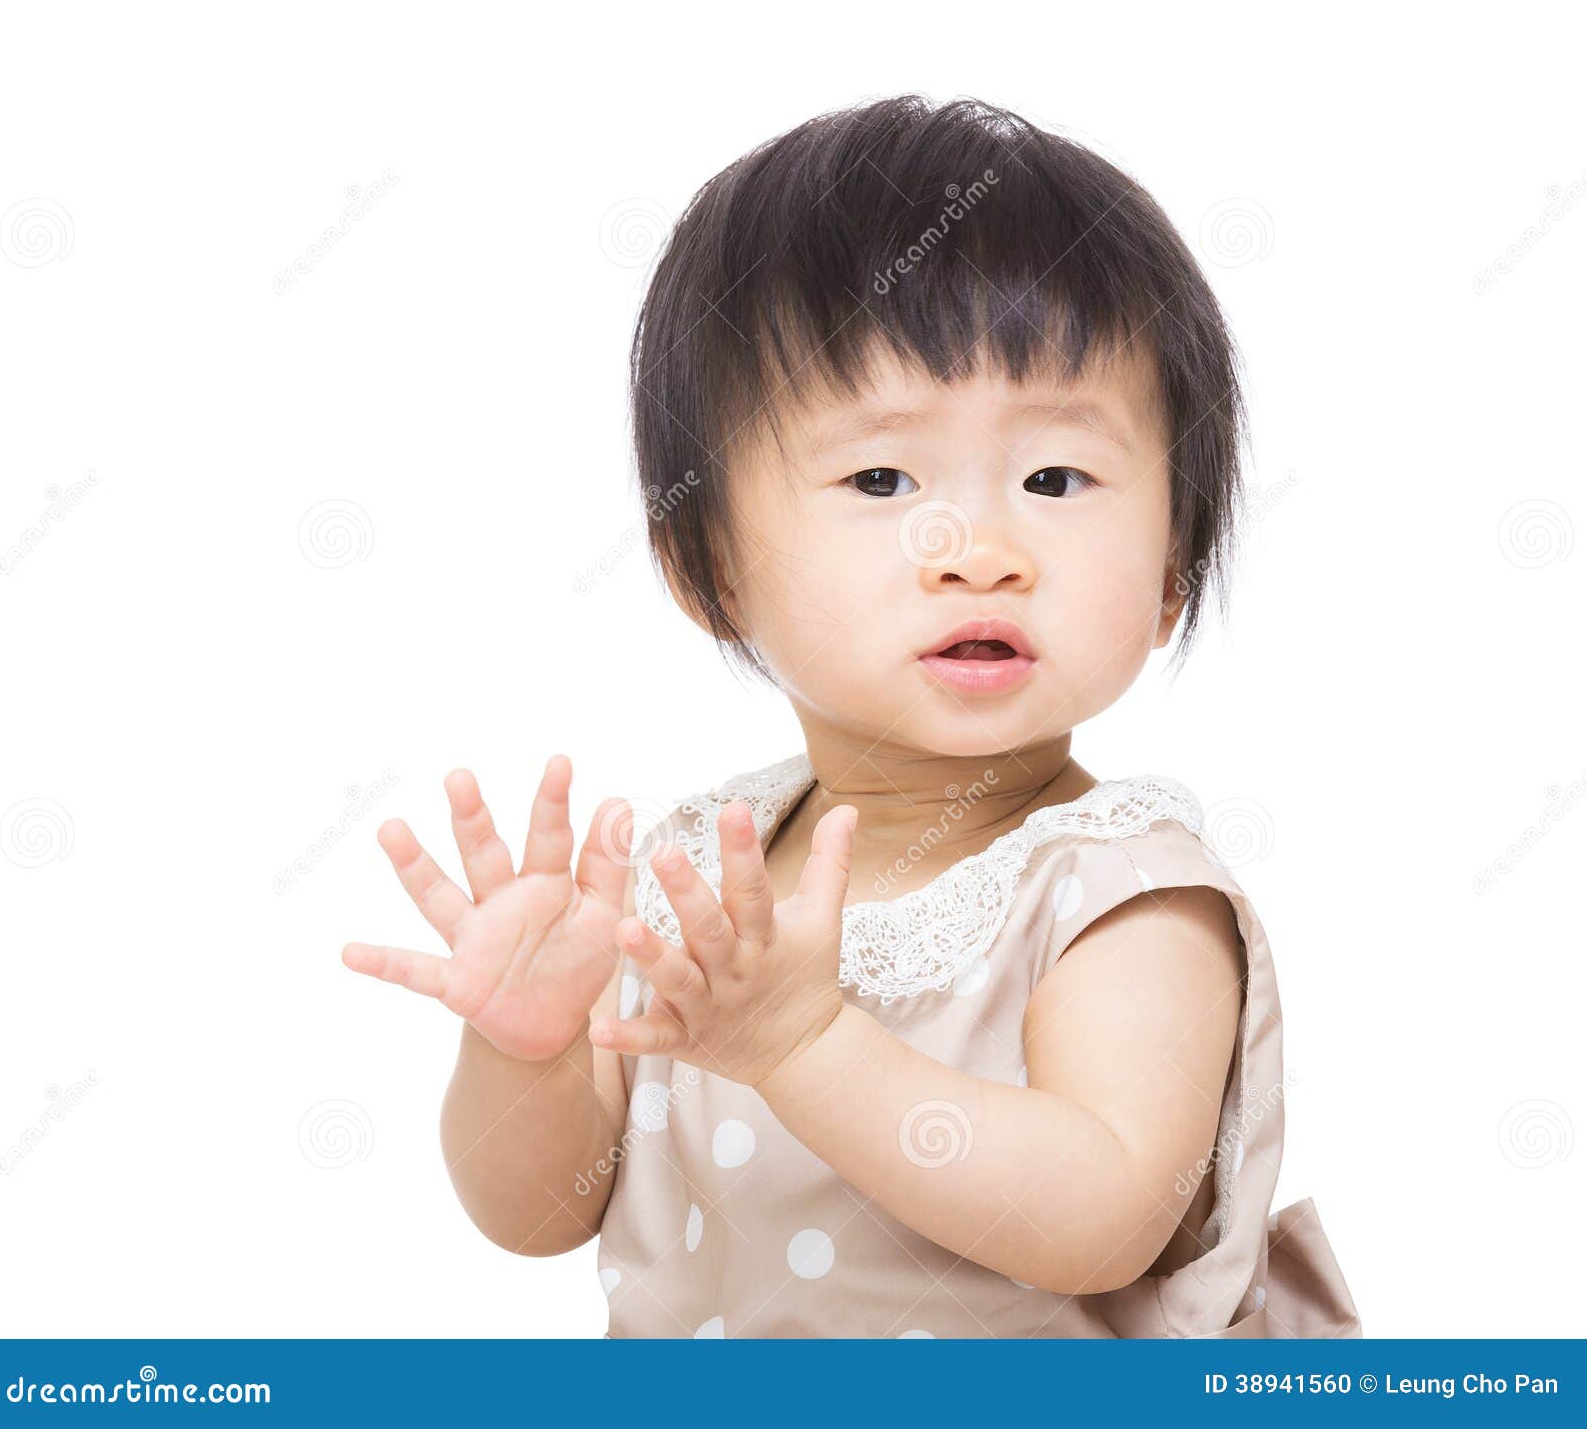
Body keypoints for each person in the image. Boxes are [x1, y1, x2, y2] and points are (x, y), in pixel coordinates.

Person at [342, 94, 1361, 1339]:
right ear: (709, 567)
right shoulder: (691, 881)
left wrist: (805, 1044)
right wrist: (532, 1052)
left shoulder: (1121, 897)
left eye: (1056, 478)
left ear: (1169, 575)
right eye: (881, 478)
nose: (976, 549)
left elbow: (1099, 1214)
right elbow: (538, 1216)